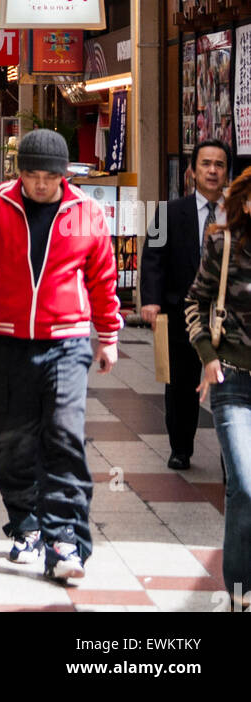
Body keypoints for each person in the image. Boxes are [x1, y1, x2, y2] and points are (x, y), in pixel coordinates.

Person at [0, 128, 122, 584]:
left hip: (67, 343)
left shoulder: (85, 213)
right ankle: (25, 522)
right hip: (9, 343)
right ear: (18, 173)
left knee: (64, 437)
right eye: (32, 175)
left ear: (63, 175)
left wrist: (108, 336)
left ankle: (65, 538)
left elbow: (103, 278)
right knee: (10, 446)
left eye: (49, 176)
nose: (41, 184)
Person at [140, 139, 229, 469]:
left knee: (228, 389)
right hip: (181, 315)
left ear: (226, 172)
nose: (212, 170)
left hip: (227, 320)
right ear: (192, 171)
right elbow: (152, 260)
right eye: (206, 163)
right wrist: (150, 300)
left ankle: (230, 457)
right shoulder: (168, 213)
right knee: (181, 387)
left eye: (219, 165)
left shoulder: (238, 215)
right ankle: (180, 448)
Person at [185, 165, 251, 608]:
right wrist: (208, 358)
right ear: (246, 202)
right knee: (244, 485)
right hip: (232, 380)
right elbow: (194, 302)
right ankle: (240, 588)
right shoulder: (222, 244)